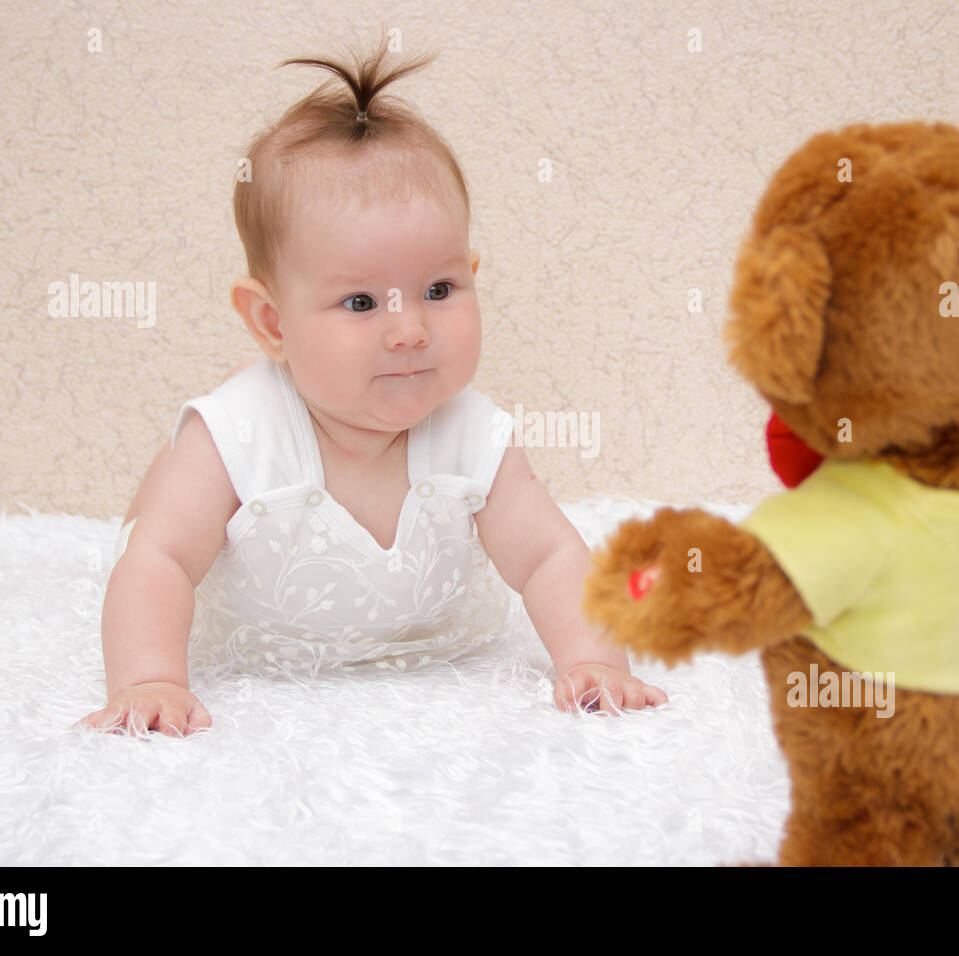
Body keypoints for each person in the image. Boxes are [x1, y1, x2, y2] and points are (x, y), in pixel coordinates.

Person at [80, 39, 667, 736]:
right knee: (162, 512)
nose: (410, 330)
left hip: (428, 642)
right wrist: (150, 680)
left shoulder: (472, 434)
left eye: (440, 289)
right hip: (264, 642)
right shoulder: (240, 440)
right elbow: (163, 561)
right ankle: (167, 471)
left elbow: (549, 555)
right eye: (361, 303)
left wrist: (593, 660)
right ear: (271, 321)